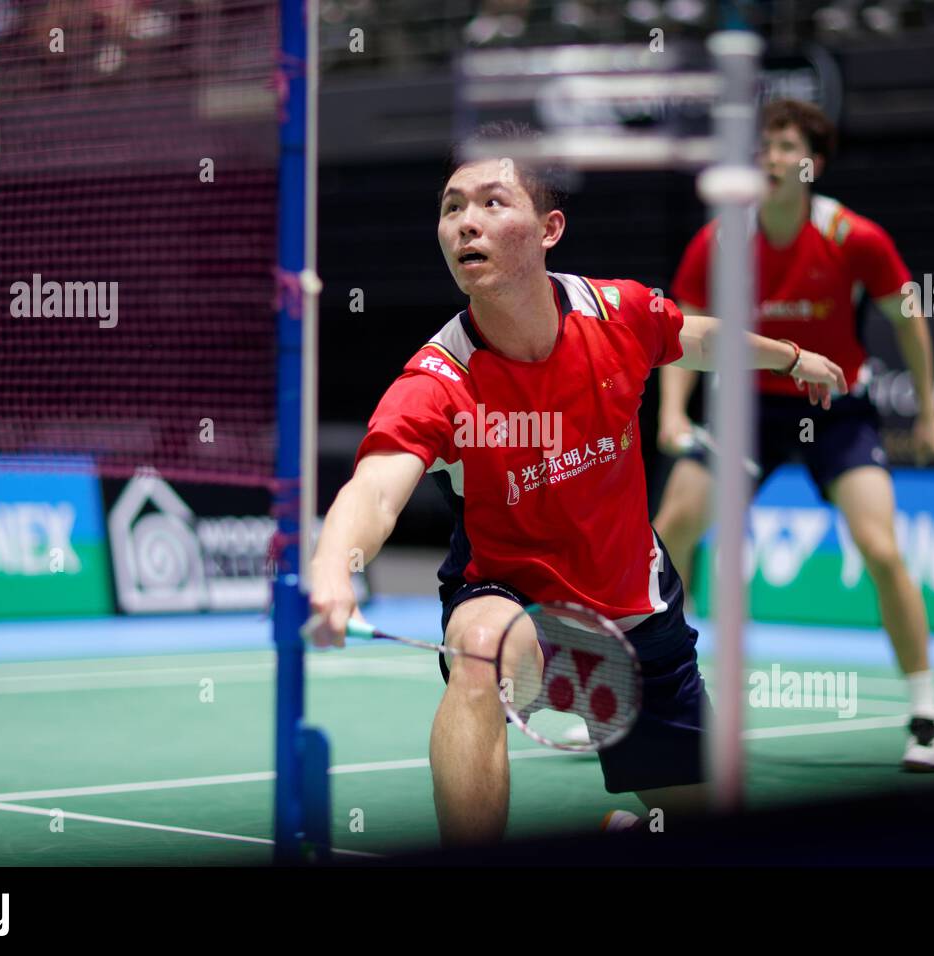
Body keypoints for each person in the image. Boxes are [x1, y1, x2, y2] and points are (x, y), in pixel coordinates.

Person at [305, 121, 847, 846]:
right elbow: (374, 491)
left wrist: (792, 357)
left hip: (635, 612)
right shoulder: (439, 379)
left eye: (493, 203)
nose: (467, 222)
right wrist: (333, 568)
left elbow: (696, 337)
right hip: (514, 601)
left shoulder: (614, 313)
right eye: (451, 206)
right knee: (479, 651)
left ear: (549, 227)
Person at [654, 98, 934, 772]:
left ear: (812, 163)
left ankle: (928, 715)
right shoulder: (723, 239)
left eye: (786, 146)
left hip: (837, 407)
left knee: (880, 547)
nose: (771, 157)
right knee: (670, 532)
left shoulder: (853, 238)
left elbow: (909, 320)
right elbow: (682, 330)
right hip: (747, 410)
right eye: (763, 146)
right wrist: (673, 413)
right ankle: (651, 699)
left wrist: (928, 412)